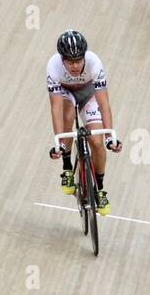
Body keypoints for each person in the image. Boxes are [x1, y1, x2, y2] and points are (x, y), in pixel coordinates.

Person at [46, 30, 121, 215]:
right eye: (70, 61)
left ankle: (100, 189)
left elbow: (104, 104)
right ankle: (67, 169)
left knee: (96, 142)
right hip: (66, 93)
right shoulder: (53, 66)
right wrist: (59, 143)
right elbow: (55, 108)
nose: (74, 65)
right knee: (68, 115)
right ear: (61, 59)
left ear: (85, 57)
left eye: (78, 60)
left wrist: (110, 137)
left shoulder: (94, 62)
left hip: (89, 94)